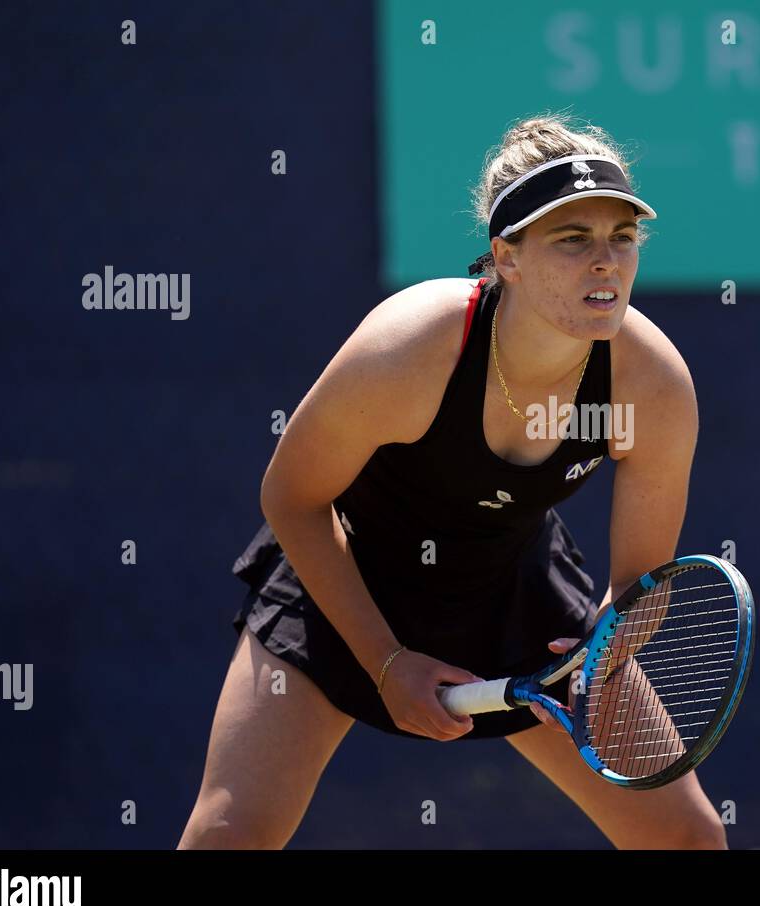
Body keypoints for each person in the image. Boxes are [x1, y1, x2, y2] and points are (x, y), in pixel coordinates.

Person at [178, 115, 725, 849]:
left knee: (686, 838)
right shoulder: (410, 346)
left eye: (622, 238)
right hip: (348, 575)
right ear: (507, 258)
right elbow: (292, 498)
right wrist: (386, 660)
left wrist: (604, 653)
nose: (607, 262)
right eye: (573, 239)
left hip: (512, 591)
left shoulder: (651, 386)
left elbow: (637, 585)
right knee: (228, 835)